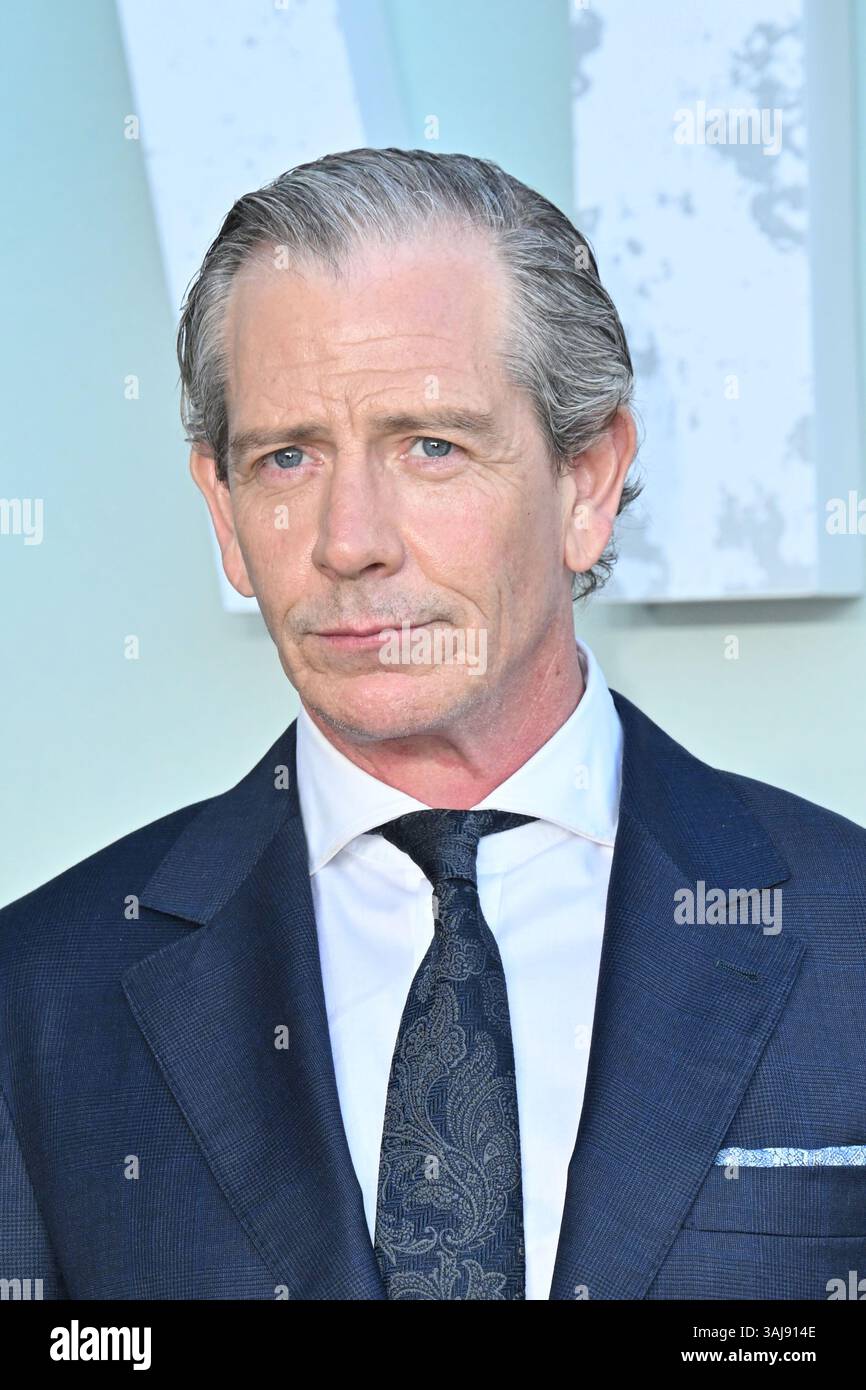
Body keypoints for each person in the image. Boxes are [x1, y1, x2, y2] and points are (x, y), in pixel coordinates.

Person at [2, 149, 864, 1302]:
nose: (348, 538)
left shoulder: (844, 932)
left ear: (586, 481)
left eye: (431, 447)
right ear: (222, 508)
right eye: (288, 456)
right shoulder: (38, 995)